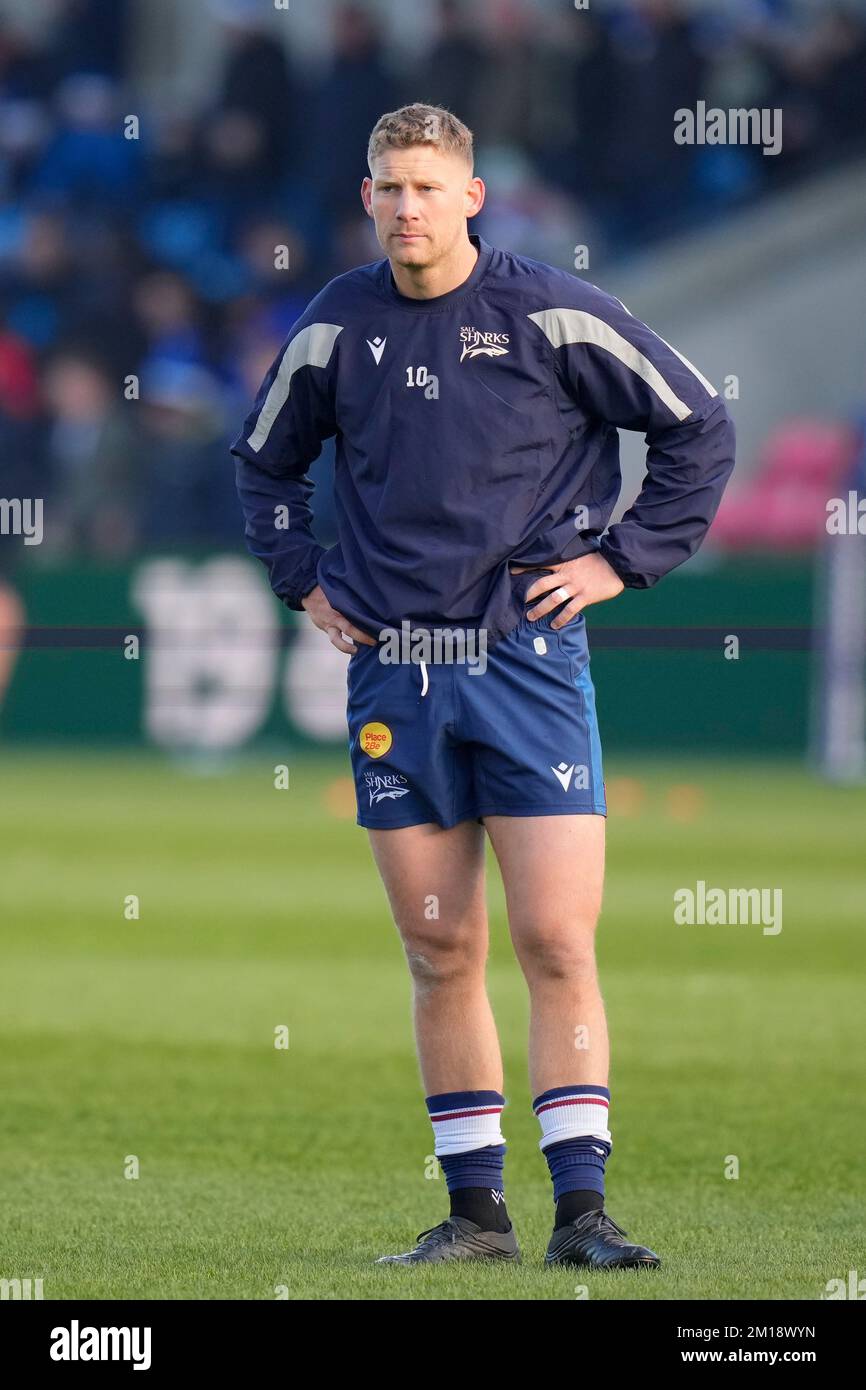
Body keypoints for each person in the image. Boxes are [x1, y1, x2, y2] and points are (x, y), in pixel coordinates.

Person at [232, 103, 736, 1270]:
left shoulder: (549, 311)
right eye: (387, 188)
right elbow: (261, 461)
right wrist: (302, 577)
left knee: (555, 938)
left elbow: (697, 425)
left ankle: (583, 1215)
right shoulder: (335, 325)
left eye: (426, 187)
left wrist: (619, 559)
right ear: (366, 199)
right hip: (393, 673)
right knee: (437, 947)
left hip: (524, 661)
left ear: (470, 197)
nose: (406, 207)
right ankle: (475, 1217)